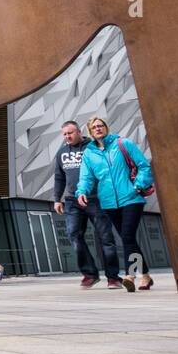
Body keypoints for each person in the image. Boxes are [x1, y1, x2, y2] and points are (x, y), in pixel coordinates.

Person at [77, 116, 155, 292]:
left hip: (131, 198)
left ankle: (130, 275)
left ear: (106, 127)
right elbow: (86, 177)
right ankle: (146, 276)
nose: (98, 128)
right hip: (109, 202)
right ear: (90, 132)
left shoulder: (123, 144)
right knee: (129, 239)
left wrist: (138, 185)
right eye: (94, 127)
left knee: (127, 236)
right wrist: (81, 191)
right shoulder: (89, 153)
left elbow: (144, 166)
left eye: (101, 125)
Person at [51, 120, 120, 289]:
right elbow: (59, 178)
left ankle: (113, 277)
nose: (68, 136)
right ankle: (89, 274)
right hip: (72, 201)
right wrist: (56, 199)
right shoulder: (61, 153)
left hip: (96, 198)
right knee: (74, 235)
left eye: (70, 133)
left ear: (79, 132)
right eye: (65, 134)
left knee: (105, 238)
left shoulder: (92, 147)